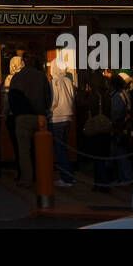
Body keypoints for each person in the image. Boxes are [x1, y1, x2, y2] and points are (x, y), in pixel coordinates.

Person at [8, 56, 51, 188]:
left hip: (22, 117)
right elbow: (48, 96)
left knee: (24, 151)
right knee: (41, 149)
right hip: (40, 117)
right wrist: (44, 111)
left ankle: (27, 179)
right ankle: (43, 177)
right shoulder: (41, 76)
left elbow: (12, 99)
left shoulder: (16, 78)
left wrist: (16, 113)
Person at [48, 56, 77, 186]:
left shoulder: (55, 82)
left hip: (56, 118)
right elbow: (72, 97)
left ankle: (66, 178)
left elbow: (53, 101)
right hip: (68, 117)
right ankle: (69, 175)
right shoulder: (68, 80)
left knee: (60, 149)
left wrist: (48, 110)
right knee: (63, 148)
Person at [3, 47, 26, 179]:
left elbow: (6, 99)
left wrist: (4, 113)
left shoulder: (9, 79)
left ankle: (21, 171)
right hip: (27, 114)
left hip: (13, 116)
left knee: (17, 145)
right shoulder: (27, 77)